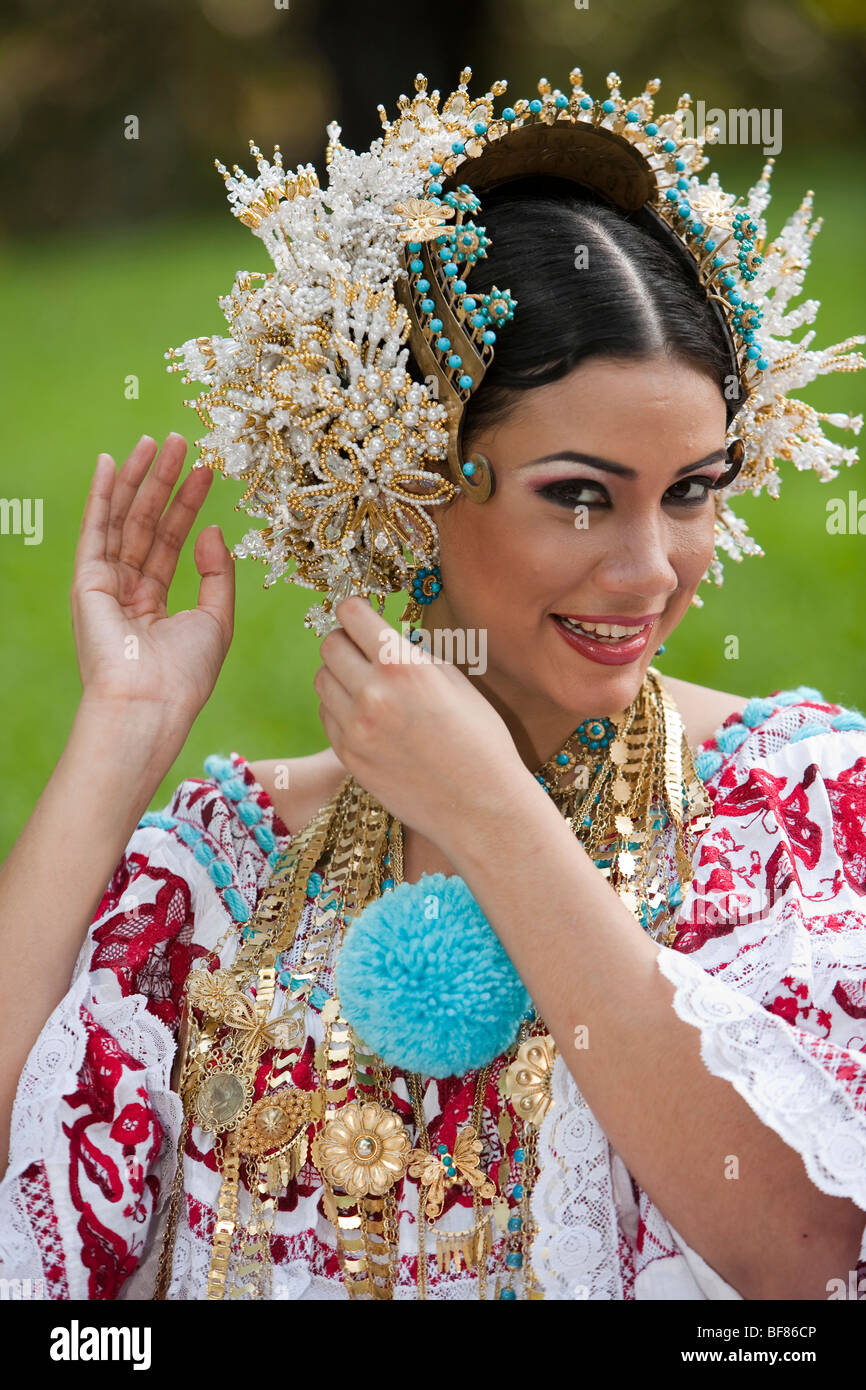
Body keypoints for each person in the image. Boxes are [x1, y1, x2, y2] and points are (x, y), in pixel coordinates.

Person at [1, 64, 866, 1303]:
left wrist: (491, 817)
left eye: (688, 491)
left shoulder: (790, 816)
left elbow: (809, 1262)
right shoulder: (231, 873)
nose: (650, 570)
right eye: (578, 494)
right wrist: (121, 732)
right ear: (402, 478)